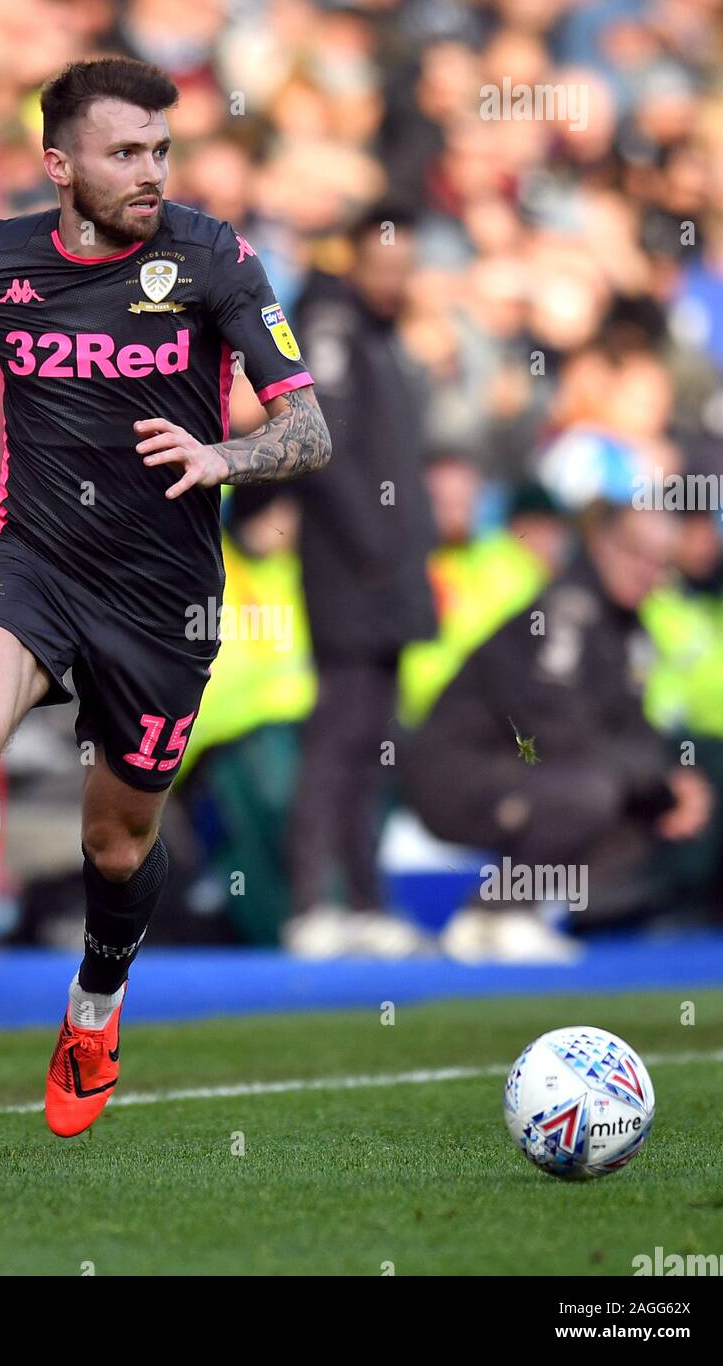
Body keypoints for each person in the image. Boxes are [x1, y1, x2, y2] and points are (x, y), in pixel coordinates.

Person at [0, 57, 331, 1135]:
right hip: (33, 556)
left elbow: (309, 429)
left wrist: (223, 457)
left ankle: (96, 1003)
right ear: (60, 164)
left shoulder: (213, 257)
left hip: (163, 597)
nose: (150, 171)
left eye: (161, 150)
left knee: (116, 844)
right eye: (125, 153)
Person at [404, 503, 712, 962]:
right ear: (602, 545)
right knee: (591, 789)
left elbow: (634, 731)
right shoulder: (562, 613)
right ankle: (494, 914)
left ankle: (520, 911)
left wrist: (672, 785)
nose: (649, 572)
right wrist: (653, 780)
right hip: (456, 772)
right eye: (638, 554)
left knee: (640, 804)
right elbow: (556, 728)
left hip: (527, 774)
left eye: (661, 562)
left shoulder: (631, 631)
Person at [284, 209, 437, 957]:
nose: (397, 279)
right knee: (338, 735)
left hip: (387, 572)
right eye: (386, 264)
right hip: (351, 572)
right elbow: (325, 447)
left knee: (371, 740)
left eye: (406, 265)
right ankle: (314, 903)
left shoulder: (376, 331)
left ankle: (365, 902)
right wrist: (376, 547)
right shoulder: (332, 325)